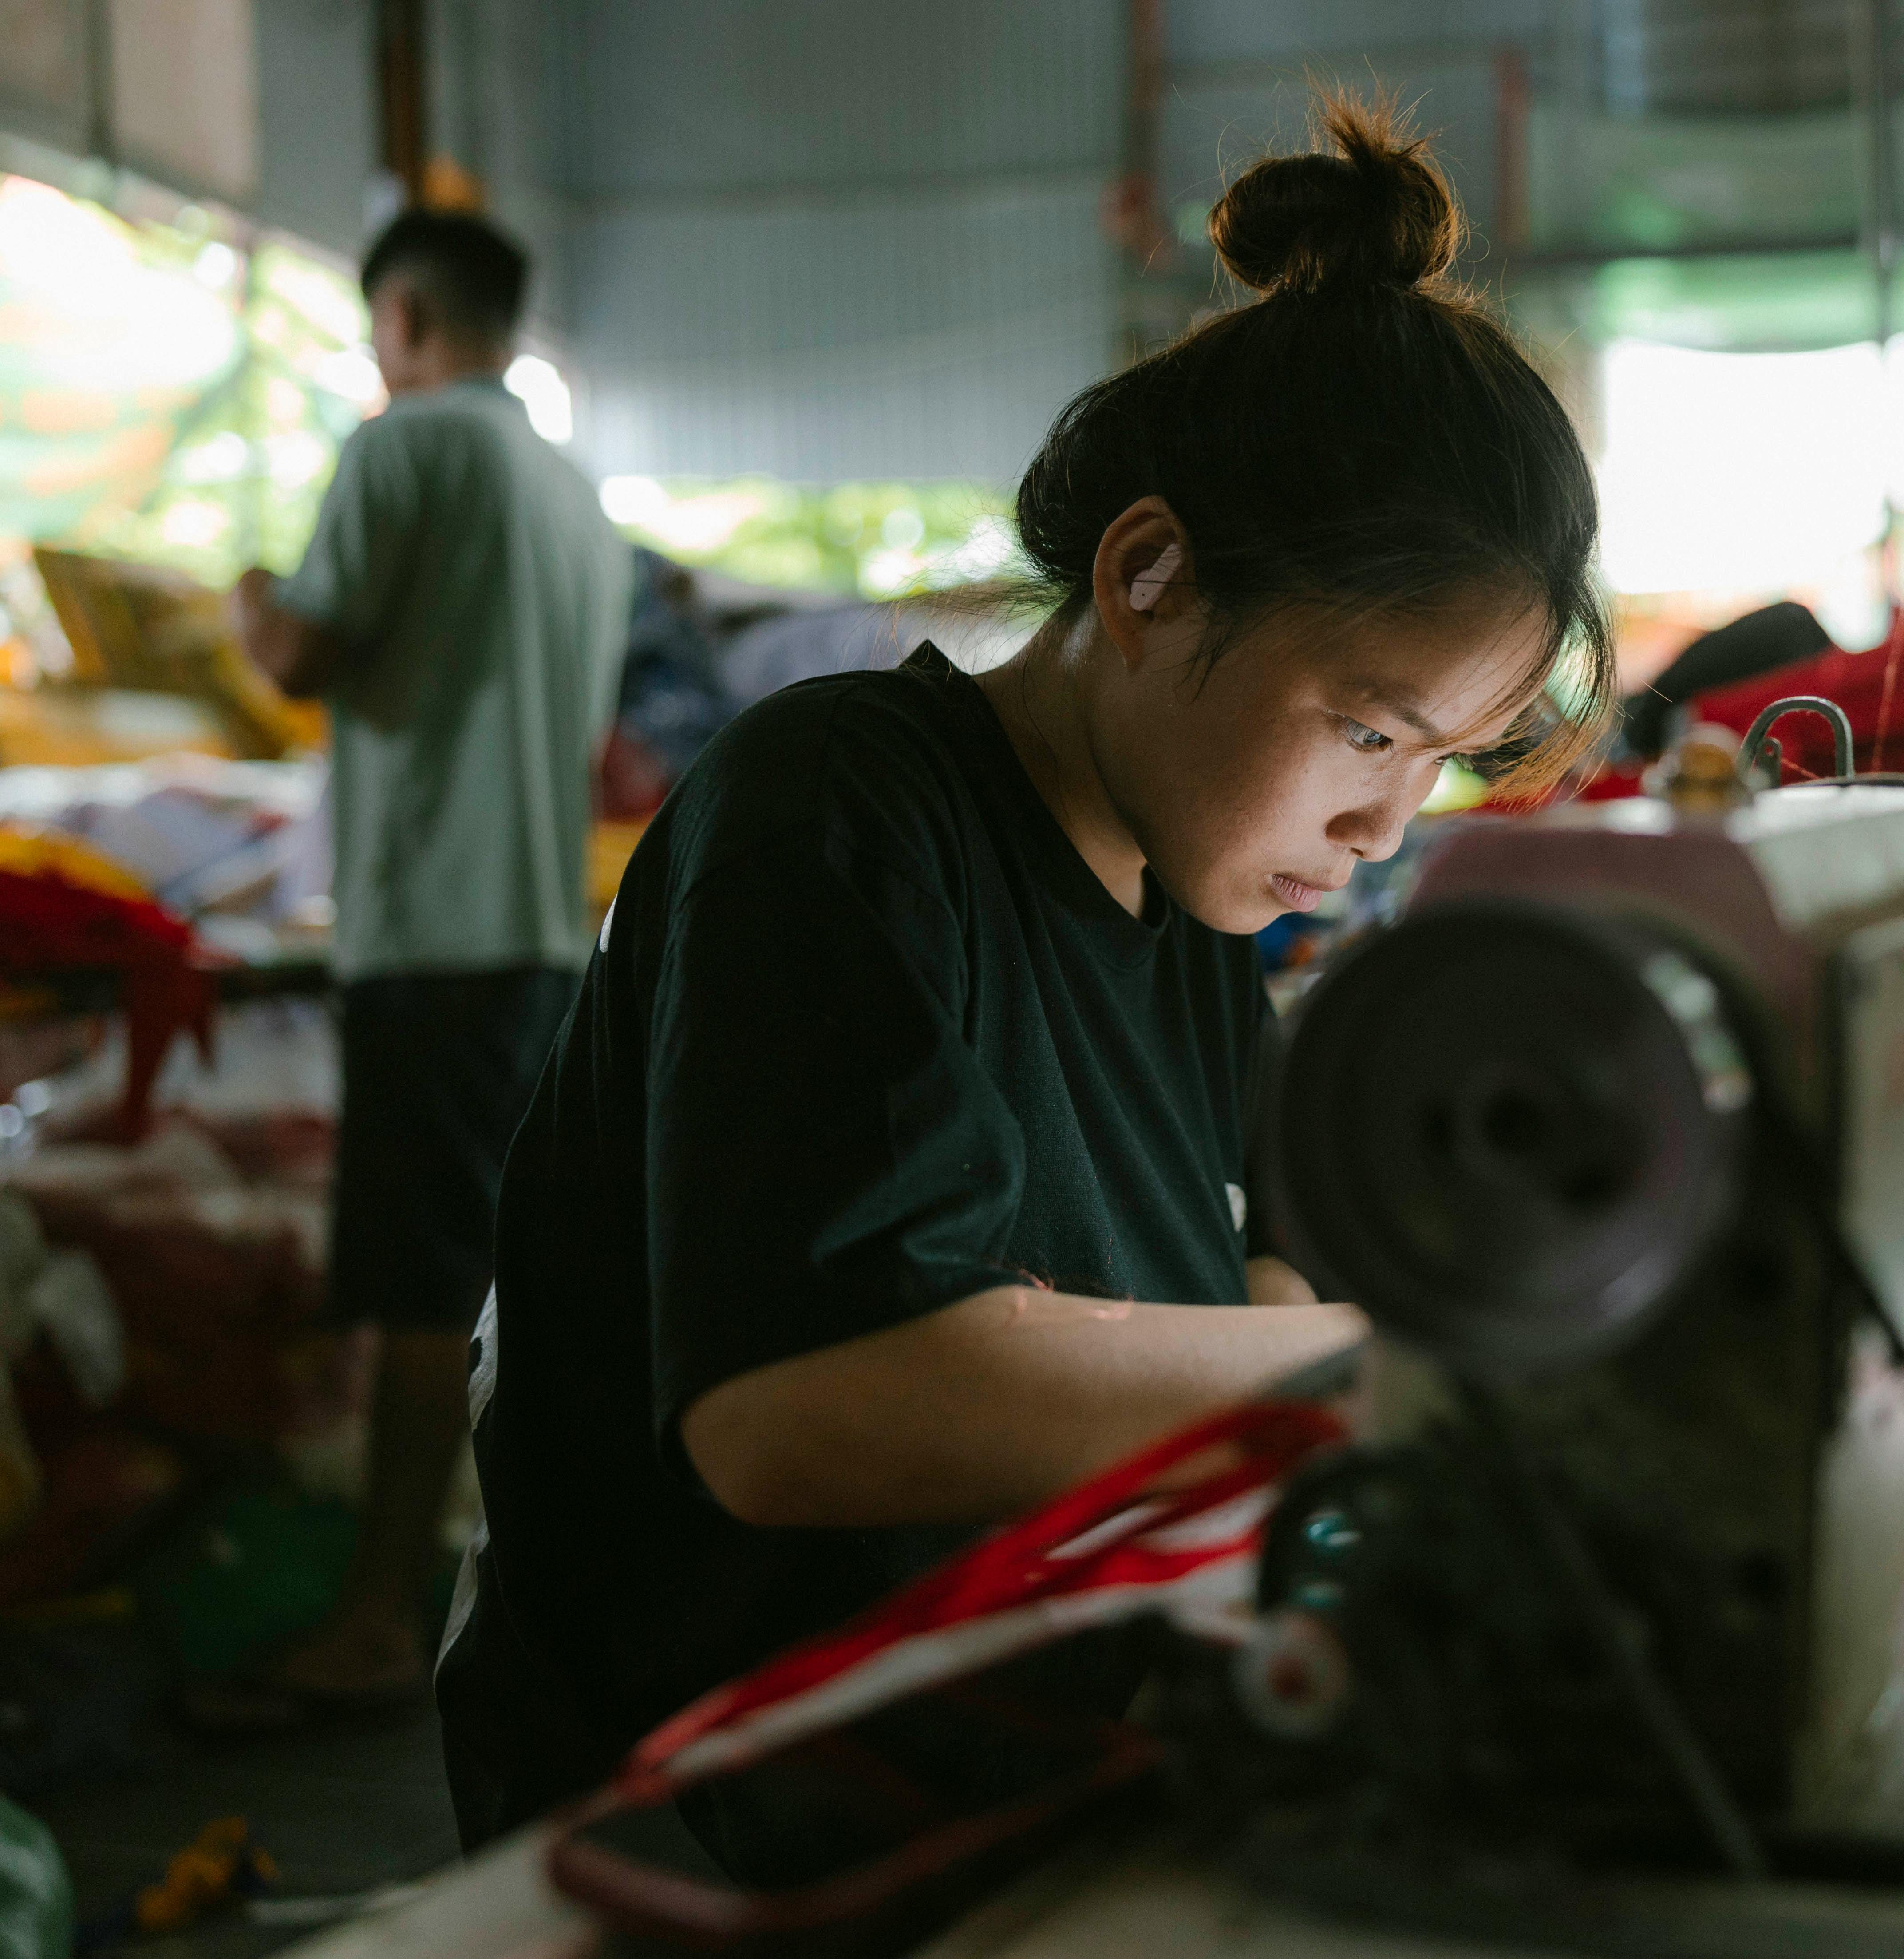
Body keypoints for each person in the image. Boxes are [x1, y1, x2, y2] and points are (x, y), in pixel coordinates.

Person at [433, 100, 1612, 1869]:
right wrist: (1402, 1370)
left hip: (1006, 1773)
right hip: (711, 1842)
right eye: (1367, 729)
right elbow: (797, 1409)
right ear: (1146, 578)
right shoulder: (835, 816)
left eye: (1435, 761)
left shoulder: (1191, 913)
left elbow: (1266, 1282)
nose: (1382, 820)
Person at [226, 210, 630, 1718]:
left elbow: (302, 658)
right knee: (497, 1276)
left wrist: (253, 602)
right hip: (532, 935)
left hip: (434, 937)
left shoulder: (404, 451)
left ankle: (380, 1620)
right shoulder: (571, 496)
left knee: (413, 1290)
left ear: (402, 316)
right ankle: (501, 1587)